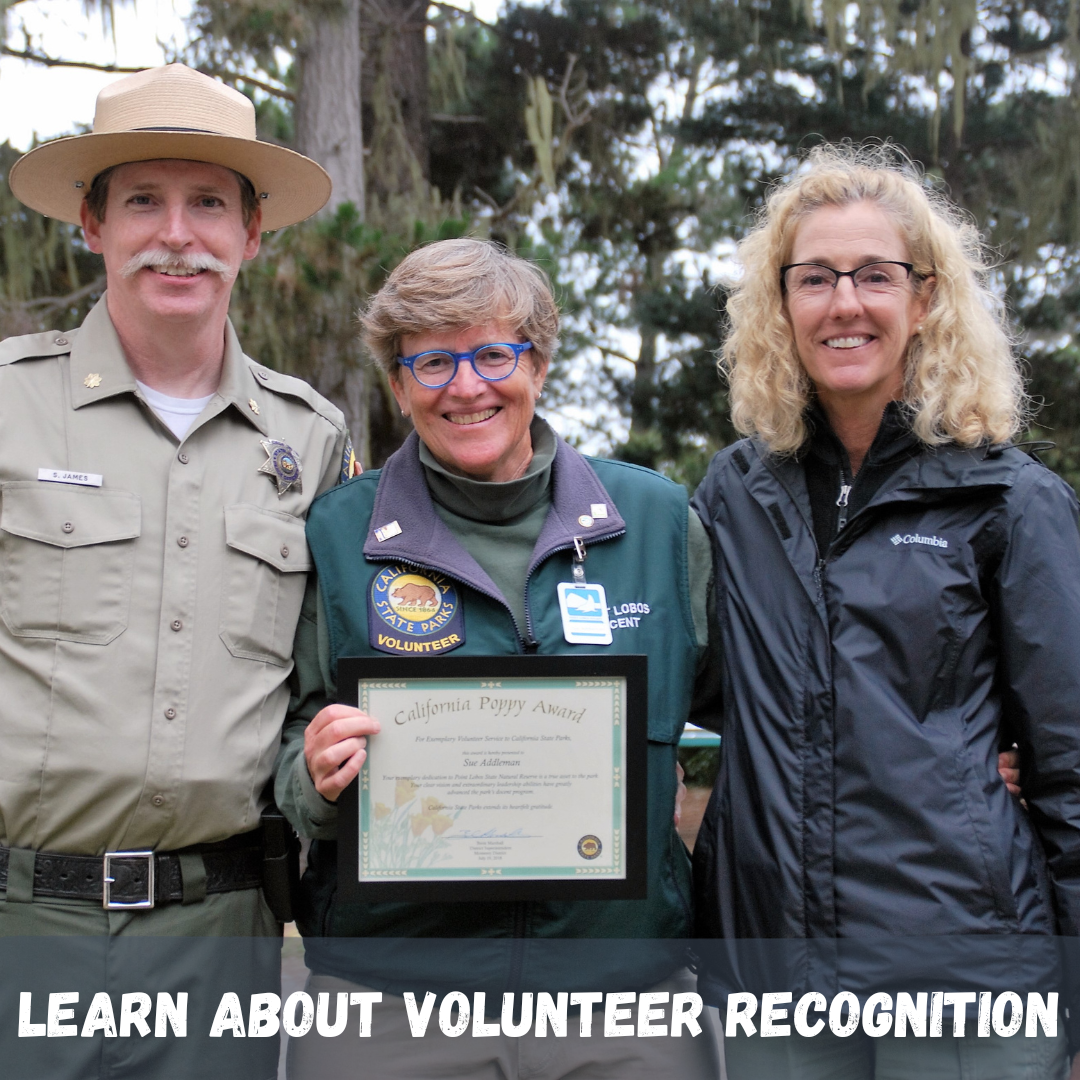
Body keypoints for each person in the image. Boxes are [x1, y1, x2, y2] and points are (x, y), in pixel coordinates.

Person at [274, 237, 721, 1078]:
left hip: (623, 1006)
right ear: (399, 382)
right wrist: (316, 775)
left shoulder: (659, 521)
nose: (467, 386)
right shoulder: (338, 534)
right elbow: (284, 747)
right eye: (433, 361)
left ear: (540, 364)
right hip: (393, 1004)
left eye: (492, 353)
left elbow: (766, 712)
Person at [691, 143, 1080, 1079]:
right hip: (771, 978)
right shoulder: (733, 494)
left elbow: (1069, 764)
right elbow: (697, 684)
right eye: (815, 277)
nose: (845, 302)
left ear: (927, 299)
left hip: (964, 972)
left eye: (875, 275)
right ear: (780, 304)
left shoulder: (1008, 500)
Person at [0, 64, 348, 1077]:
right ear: (91, 223)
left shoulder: (310, 440)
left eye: (208, 204)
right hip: (24, 926)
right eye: (143, 200)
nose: (177, 234)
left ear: (252, 233)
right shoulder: (9, 408)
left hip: (219, 935)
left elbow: (310, 686)